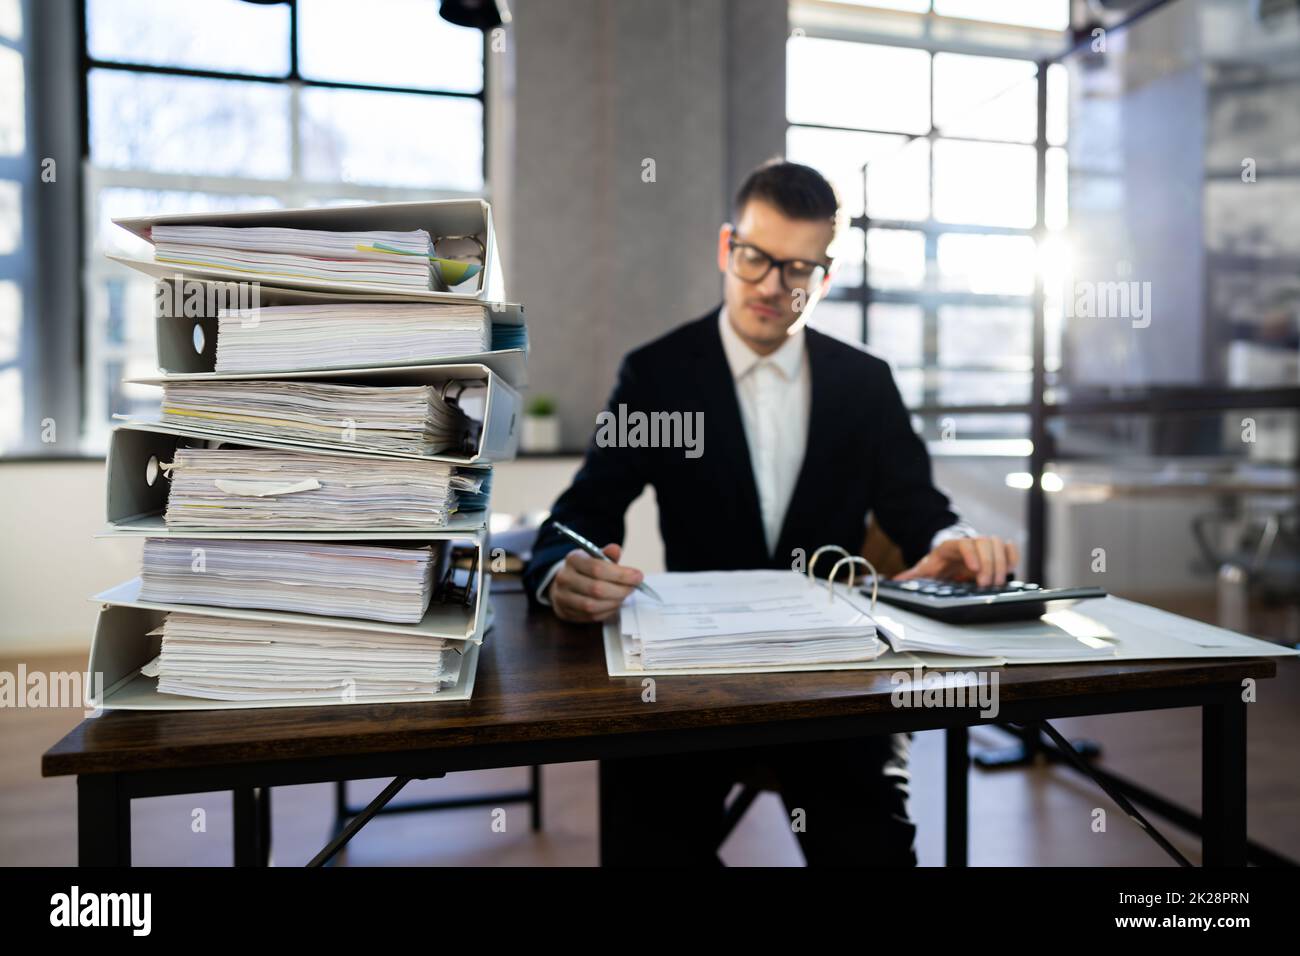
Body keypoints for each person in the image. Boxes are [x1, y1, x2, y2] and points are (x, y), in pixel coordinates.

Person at [524, 158, 1018, 866]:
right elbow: (580, 513)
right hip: (693, 684)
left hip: (836, 687)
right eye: (755, 258)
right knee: (646, 846)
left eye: (798, 269)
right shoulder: (658, 376)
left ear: (825, 274)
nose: (771, 286)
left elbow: (919, 507)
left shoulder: (864, 384)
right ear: (728, 248)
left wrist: (954, 540)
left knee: (872, 852)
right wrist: (560, 572)